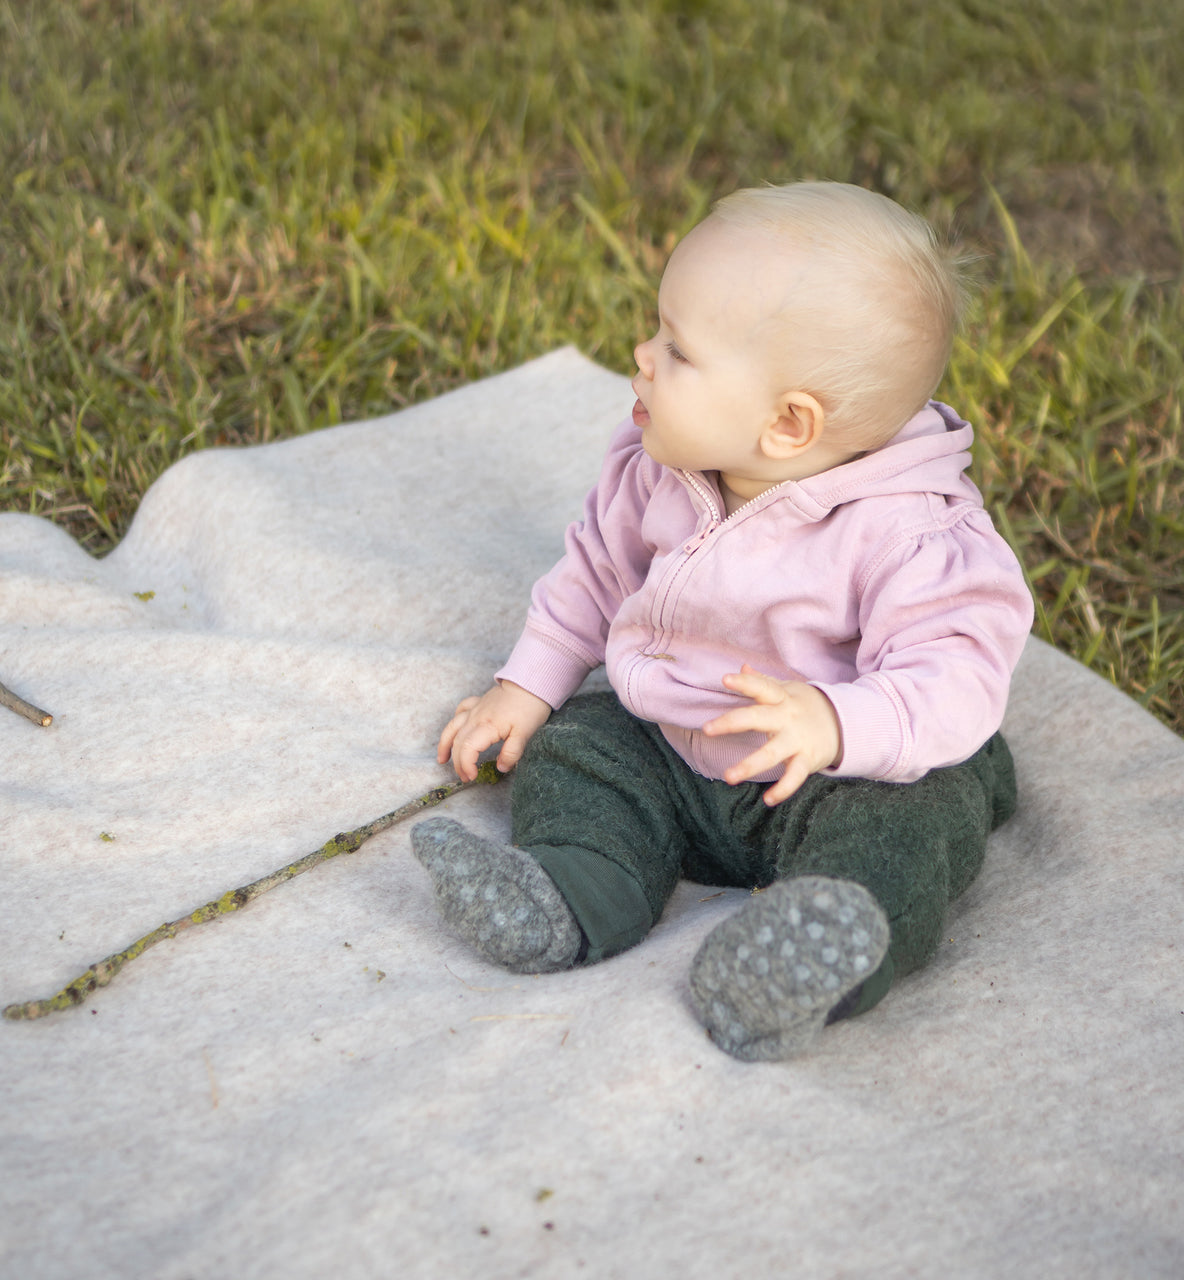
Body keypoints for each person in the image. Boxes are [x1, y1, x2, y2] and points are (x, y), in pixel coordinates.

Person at [411, 181, 1034, 1061]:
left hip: (835, 774)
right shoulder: (660, 469)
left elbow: (960, 673)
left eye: (677, 349)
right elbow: (595, 570)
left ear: (787, 424)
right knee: (583, 747)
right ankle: (571, 894)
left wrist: (834, 723)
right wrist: (528, 682)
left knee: (913, 824)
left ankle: (805, 958)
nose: (641, 355)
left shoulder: (912, 531)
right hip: (679, 742)